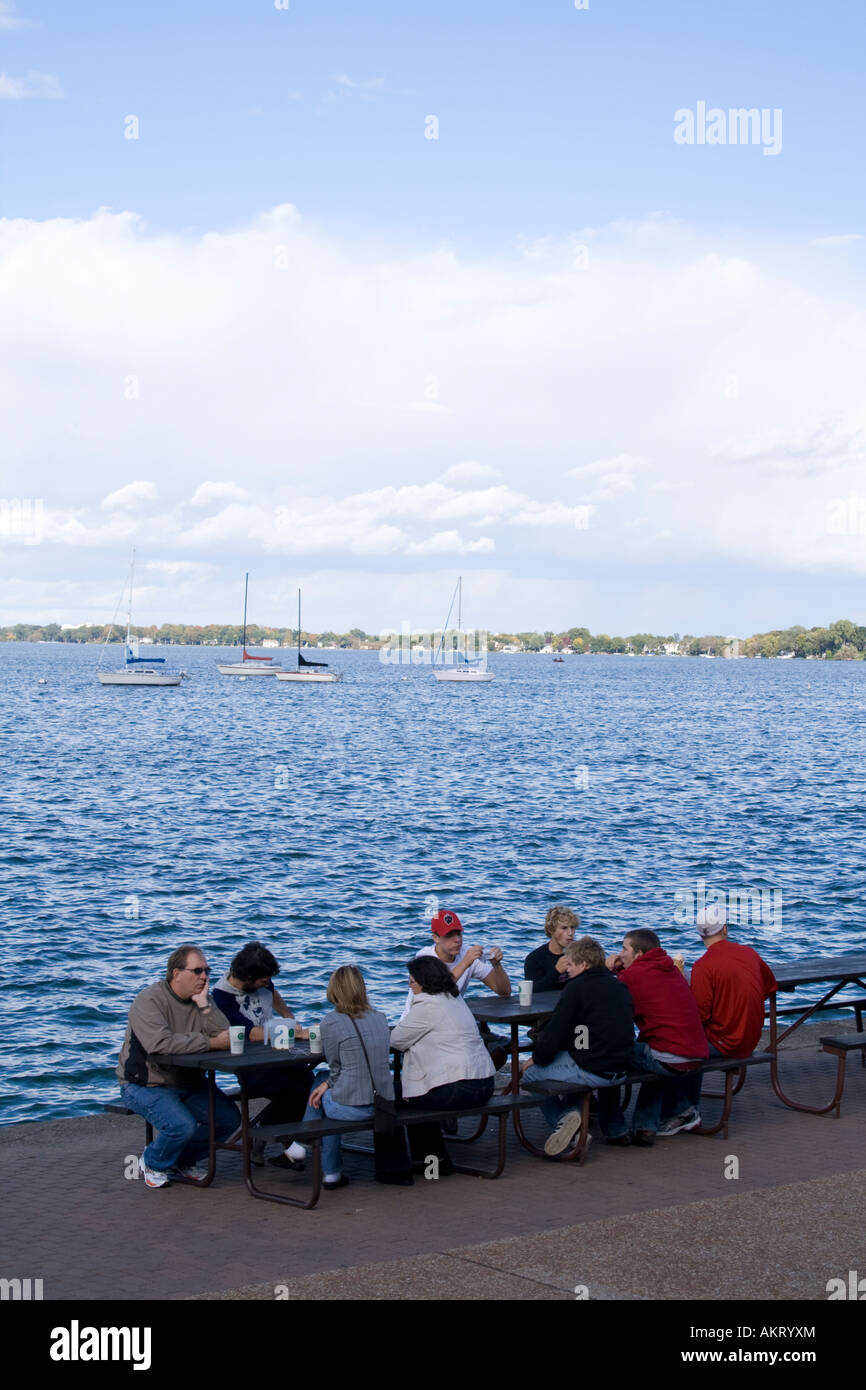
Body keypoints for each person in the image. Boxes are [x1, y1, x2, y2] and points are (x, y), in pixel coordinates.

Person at [117, 944, 239, 1188]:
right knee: (182, 1126)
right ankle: (152, 1162)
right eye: (197, 971)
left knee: (230, 1121)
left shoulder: (203, 999)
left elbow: (226, 1036)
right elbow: (159, 1044)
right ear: (176, 974)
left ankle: (179, 1160)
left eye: (207, 970)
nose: (204, 976)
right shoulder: (149, 1000)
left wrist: (204, 1005)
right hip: (146, 1084)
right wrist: (209, 1042)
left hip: (189, 1082)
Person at [290, 965, 410, 1189]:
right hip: (383, 1104)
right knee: (322, 1082)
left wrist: (326, 1084)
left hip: (354, 1107)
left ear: (334, 990)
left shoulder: (330, 1022)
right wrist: (327, 1083)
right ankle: (326, 1170)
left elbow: (335, 1068)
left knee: (321, 1093)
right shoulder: (380, 1018)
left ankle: (308, 1150)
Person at [522, 936, 635, 1153]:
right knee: (585, 1056)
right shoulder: (618, 985)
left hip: (595, 1067)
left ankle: (566, 1123)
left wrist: (535, 1059)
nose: (567, 971)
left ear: (583, 965)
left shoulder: (577, 988)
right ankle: (615, 1128)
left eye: (571, 965)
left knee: (530, 1075)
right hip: (622, 1065)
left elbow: (556, 1032)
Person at [211, 941, 313, 1168]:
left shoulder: (263, 981)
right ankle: (269, 1135)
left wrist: (287, 1015)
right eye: (262, 981)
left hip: (277, 1055)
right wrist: (291, 1032)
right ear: (248, 979)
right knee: (292, 1090)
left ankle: (285, 1143)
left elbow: (273, 994)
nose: (267, 984)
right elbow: (249, 1033)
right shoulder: (222, 997)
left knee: (310, 1082)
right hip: (250, 1065)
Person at [391, 955, 495, 1174]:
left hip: (460, 1087)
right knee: (415, 1093)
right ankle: (433, 1159)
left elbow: (395, 1040)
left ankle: (402, 1164)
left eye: (411, 982)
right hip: (485, 1083)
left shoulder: (427, 1005)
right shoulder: (455, 999)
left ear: (423, 982)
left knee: (392, 1095)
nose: (410, 987)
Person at [605, 929, 709, 1144]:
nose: (620, 954)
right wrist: (621, 973)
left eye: (624, 949)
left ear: (639, 954)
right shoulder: (669, 968)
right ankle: (645, 1127)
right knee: (651, 1051)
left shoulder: (634, 975)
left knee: (609, 1054)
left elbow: (611, 1003)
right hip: (697, 1052)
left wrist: (606, 972)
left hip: (671, 1056)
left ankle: (613, 1127)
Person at [401, 908, 511, 1071]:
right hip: (422, 1028)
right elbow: (434, 991)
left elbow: (503, 991)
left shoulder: (465, 954)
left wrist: (497, 965)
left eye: (459, 934)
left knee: (502, 1047)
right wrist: (465, 962)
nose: (457, 940)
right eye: (450, 936)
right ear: (436, 938)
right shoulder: (425, 958)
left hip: (451, 1028)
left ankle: (475, 1086)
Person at [689, 911, 777, 1060]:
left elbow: (700, 1015)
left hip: (724, 1045)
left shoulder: (702, 966)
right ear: (724, 929)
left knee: (673, 1049)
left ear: (700, 934)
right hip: (751, 1040)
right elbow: (769, 987)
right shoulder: (749, 953)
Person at [523, 906, 581, 992]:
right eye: (564, 928)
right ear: (551, 930)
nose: (570, 933)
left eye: (572, 927)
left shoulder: (580, 954)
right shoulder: (534, 959)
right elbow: (532, 992)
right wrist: (556, 971)